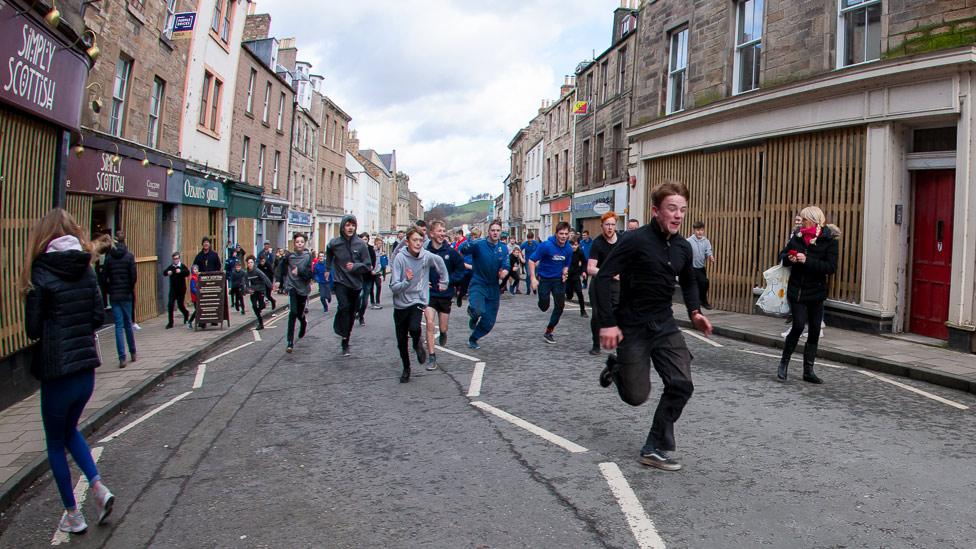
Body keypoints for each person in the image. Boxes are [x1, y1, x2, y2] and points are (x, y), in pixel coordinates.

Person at [594, 181, 713, 472]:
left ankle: (655, 446)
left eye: (682, 209)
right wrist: (608, 324)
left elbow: (689, 281)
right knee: (636, 397)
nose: (678, 215)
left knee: (682, 384)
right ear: (656, 210)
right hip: (632, 326)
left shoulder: (683, 248)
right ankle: (618, 367)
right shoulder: (635, 241)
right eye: (672, 208)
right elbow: (603, 277)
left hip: (665, 326)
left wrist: (695, 312)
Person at [20, 209, 115, 534]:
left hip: (57, 371)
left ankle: (73, 514)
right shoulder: (86, 268)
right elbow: (97, 318)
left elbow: (33, 329)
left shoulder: (41, 271)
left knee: (54, 442)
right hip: (85, 370)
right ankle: (99, 488)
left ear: (43, 237)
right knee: (71, 430)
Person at [776, 206, 840, 384]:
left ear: (814, 221)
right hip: (797, 290)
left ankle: (808, 370)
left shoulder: (829, 240)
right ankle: (784, 363)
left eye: (804, 219)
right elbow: (781, 255)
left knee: (814, 330)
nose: (801, 222)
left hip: (817, 292)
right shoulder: (797, 237)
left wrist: (808, 261)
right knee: (797, 326)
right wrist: (789, 258)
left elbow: (831, 268)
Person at [390, 228, 448, 382]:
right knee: (401, 341)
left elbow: (440, 263)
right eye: (414, 240)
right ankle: (406, 368)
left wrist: (444, 281)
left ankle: (417, 343)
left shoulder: (426, 256)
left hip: (417, 299)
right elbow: (394, 287)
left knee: (415, 327)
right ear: (407, 241)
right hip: (400, 303)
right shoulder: (400, 259)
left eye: (420, 241)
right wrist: (407, 281)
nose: (417, 243)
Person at [326, 215, 373, 356]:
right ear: (342, 227)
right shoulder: (335, 243)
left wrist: (355, 266)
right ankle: (341, 333)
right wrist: (328, 269)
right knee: (343, 306)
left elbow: (368, 266)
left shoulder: (361, 245)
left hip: (356, 284)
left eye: (353, 225)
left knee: (352, 313)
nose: (350, 227)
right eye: (347, 225)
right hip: (340, 281)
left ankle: (346, 337)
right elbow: (329, 252)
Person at [423, 220, 467, 370]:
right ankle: (432, 357)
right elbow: (416, 268)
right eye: (439, 231)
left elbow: (461, 270)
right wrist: (422, 282)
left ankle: (443, 333)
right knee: (429, 323)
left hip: (445, 295)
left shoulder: (451, 253)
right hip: (428, 295)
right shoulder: (424, 252)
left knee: (443, 327)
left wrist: (449, 282)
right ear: (431, 233)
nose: (442, 234)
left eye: (444, 231)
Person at [460, 220, 510, 350]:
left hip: (493, 286)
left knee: (489, 321)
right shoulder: (479, 245)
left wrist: (504, 272)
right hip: (479, 282)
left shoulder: (503, 248)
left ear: (500, 233)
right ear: (488, 232)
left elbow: (506, 265)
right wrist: (469, 240)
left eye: (498, 231)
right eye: (493, 230)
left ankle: (474, 338)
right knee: (478, 310)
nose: (495, 233)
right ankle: (473, 314)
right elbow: (463, 250)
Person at [528, 222, 572, 344]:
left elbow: (567, 263)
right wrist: (533, 278)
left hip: (558, 280)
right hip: (545, 279)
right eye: (561, 233)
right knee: (544, 307)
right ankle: (541, 299)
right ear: (556, 234)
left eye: (566, 234)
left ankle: (549, 331)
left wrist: (565, 271)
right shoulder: (546, 246)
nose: (564, 236)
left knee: (560, 305)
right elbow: (532, 260)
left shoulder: (568, 248)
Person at [273, 233, 314, 353]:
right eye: (297, 242)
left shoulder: (308, 256)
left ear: (304, 243)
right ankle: (290, 342)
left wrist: (299, 271)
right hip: (292, 287)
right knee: (293, 312)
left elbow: (309, 274)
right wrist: (278, 281)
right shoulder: (289, 256)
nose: (299, 244)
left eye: (302, 242)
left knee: (299, 313)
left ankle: (303, 323)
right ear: (294, 244)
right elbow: (281, 267)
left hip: (303, 288)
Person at [102, 231, 137, 368]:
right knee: (128, 323)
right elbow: (133, 276)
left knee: (118, 326)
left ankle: (122, 358)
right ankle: (133, 352)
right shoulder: (129, 256)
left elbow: (103, 278)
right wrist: (129, 288)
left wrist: (109, 291)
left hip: (115, 295)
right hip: (126, 295)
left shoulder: (109, 258)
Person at [587, 211, 619, 355]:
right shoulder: (597, 243)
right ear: (602, 226)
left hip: (616, 285)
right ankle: (596, 344)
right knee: (597, 315)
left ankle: (620, 343)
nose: (610, 228)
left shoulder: (622, 241)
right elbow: (590, 268)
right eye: (607, 225)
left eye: (612, 224)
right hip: (599, 284)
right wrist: (609, 273)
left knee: (619, 313)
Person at [687, 221, 716, 309]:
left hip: (701, 268)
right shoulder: (689, 241)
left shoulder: (706, 241)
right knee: (704, 282)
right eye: (697, 230)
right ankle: (703, 301)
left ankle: (700, 301)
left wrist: (710, 256)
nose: (699, 232)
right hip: (692, 268)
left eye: (701, 230)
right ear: (694, 230)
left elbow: (708, 251)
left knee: (703, 284)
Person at [244, 256, 273, 330]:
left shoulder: (257, 271)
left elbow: (265, 278)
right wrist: (248, 290)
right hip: (253, 291)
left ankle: (263, 305)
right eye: (248, 263)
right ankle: (260, 323)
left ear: (254, 263)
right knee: (254, 306)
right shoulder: (247, 273)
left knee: (261, 306)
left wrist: (271, 286)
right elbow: (246, 284)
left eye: (251, 262)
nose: (250, 264)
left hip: (260, 290)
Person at [163, 252, 190, 329]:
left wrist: (181, 271)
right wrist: (167, 272)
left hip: (181, 289)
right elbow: (164, 273)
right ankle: (170, 322)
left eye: (177, 258)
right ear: (173, 259)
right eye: (174, 259)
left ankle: (186, 313)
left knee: (180, 305)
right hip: (173, 289)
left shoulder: (182, 266)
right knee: (170, 304)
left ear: (179, 259)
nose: (176, 260)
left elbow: (187, 273)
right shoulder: (171, 267)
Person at [356, 232, 378, 326]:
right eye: (362, 239)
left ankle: (361, 316)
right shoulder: (356, 249)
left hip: (368, 277)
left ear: (368, 240)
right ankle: (356, 310)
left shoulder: (370, 249)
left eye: (365, 239)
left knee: (365, 300)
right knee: (359, 296)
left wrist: (372, 268)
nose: (364, 241)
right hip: (359, 277)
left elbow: (373, 262)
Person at [456, 227, 480, 307]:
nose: (477, 239)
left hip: (475, 270)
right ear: (472, 236)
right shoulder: (465, 244)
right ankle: (460, 296)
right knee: (464, 288)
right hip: (466, 270)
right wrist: (463, 264)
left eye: (478, 237)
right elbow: (459, 255)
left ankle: (473, 305)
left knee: (474, 289)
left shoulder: (480, 244)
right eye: (475, 237)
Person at [566, 238, 587, 317]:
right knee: (569, 295)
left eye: (575, 245)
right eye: (572, 245)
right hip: (567, 276)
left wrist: (583, 271)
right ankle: (569, 294)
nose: (573, 247)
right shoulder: (566, 252)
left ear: (578, 245)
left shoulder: (580, 252)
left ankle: (583, 311)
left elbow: (585, 262)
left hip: (575, 275)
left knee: (579, 293)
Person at [372, 237, 386, 306]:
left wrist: (382, 273)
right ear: (376, 243)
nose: (380, 245)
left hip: (378, 272)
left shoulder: (380, 252)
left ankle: (377, 301)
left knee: (379, 286)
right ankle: (372, 301)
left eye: (381, 243)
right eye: (379, 243)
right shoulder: (372, 251)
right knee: (370, 288)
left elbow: (382, 263)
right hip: (371, 272)